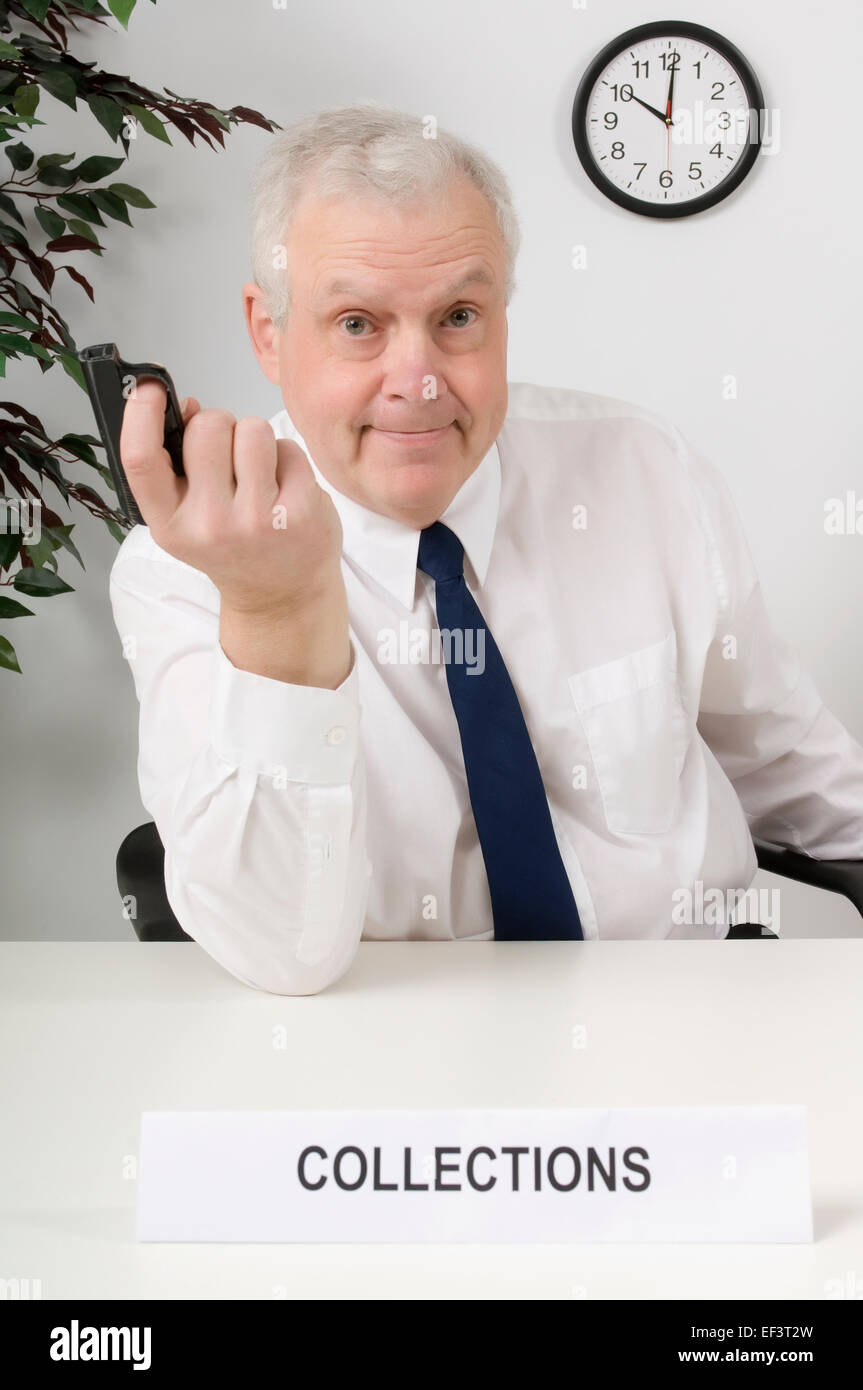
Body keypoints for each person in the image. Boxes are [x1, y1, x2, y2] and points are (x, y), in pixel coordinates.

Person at [109, 104, 863, 994]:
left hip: (689, 1002)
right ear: (268, 332)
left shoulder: (643, 467)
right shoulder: (184, 570)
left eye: (458, 315)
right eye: (358, 324)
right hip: (397, 1047)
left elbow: (782, 758)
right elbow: (285, 953)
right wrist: (278, 611)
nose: (419, 381)